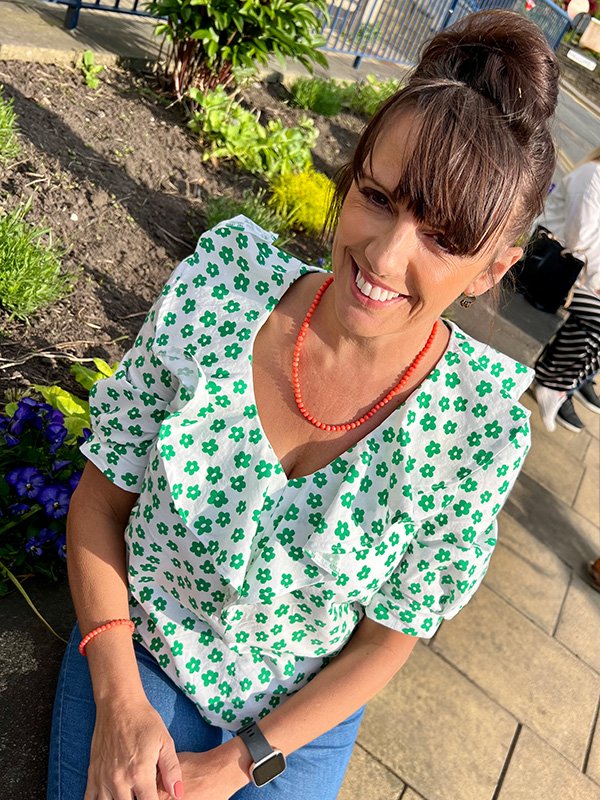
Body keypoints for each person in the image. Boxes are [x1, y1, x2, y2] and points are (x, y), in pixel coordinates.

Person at [47, 10, 559, 800]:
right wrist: (118, 698)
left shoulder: (478, 430)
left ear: (494, 270)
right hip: (140, 646)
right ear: (349, 179)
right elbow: (98, 502)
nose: (385, 255)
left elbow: (388, 637)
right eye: (378, 197)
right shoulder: (223, 291)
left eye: (444, 238)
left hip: (296, 718)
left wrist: (242, 761)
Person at [533, 147, 600, 433]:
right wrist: (598, 284)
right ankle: (552, 383)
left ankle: (569, 381)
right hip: (549, 267)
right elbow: (579, 241)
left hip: (575, 274)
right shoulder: (593, 176)